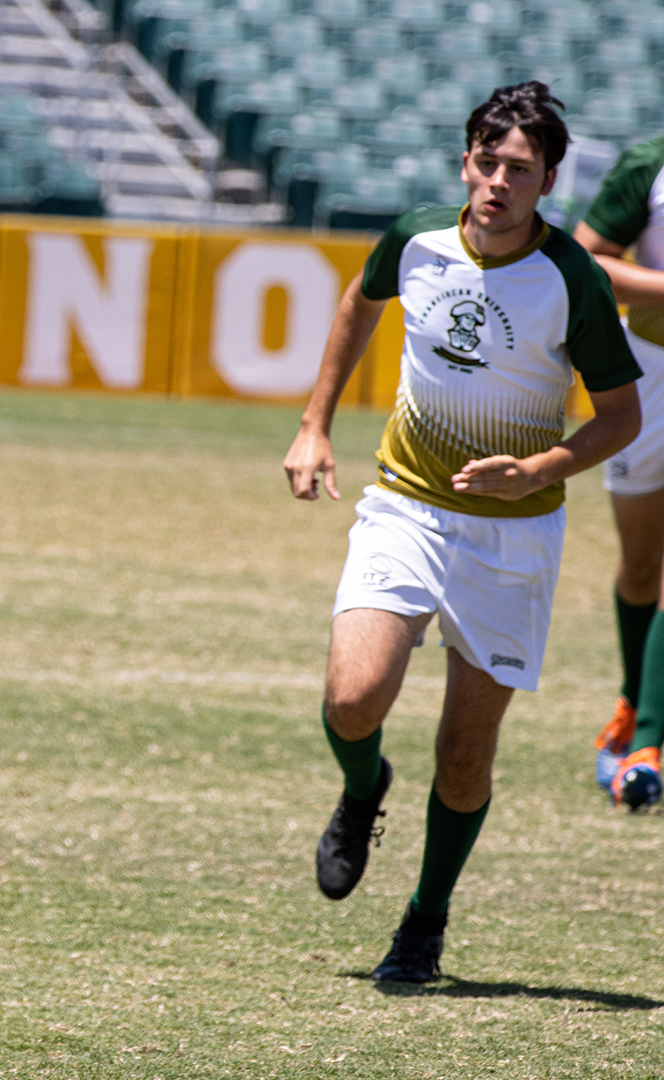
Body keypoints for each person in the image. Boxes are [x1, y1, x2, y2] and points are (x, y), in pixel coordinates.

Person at [281, 82, 642, 983]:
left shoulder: (574, 280)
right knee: (353, 699)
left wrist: (543, 467)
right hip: (405, 505)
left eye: (519, 169)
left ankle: (424, 920)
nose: (497, 182)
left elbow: (622, 416)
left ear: (549, 180)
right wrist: (315, 422)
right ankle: (364, 790)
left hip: (513, 538)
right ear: (465, 163)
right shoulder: (415, 238)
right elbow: (358, 305)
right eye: (486, 162)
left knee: (463, 754)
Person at [572, 134, 664, 809]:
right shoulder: (648, 164)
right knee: (641, 567)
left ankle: (649, 748)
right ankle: (635, 700)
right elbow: (587, 260)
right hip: (650, 370)